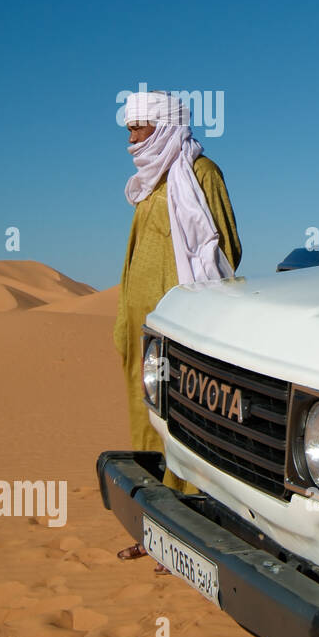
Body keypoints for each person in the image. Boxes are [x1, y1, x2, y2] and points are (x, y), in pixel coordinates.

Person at [112, 89, 241, 568]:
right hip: (140, 330)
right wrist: (125, 320)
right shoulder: (147, 184)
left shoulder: (200, 173)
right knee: (145, 428)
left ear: (163, 125)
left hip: (181, 331)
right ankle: (151, 529)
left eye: (137, 126)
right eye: (128, 127)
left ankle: (184, 537)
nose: (130, 136)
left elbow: (225, 247)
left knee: (182, 427)